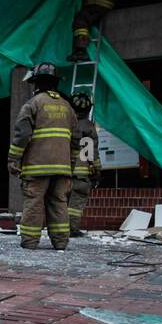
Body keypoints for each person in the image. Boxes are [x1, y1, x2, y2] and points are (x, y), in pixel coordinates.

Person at [8, 62, 78, 250]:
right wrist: (70, 164)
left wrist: (13, 159)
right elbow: (76, 139)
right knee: (59, 203)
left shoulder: (33, 105)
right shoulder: (68, 107)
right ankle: (61, 242)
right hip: (62, 168)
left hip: (37, 168)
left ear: (36, 83)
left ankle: (30, 241)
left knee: (34, 202)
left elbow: (22, 135)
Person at [67, 92, 99, 237]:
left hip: (65, 170)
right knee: (76, 202)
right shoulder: (90, 128)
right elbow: (93, 154)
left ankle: (58, 227)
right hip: (82, 174)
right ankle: (71, 228)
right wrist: (97, 171)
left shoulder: (67, 125)